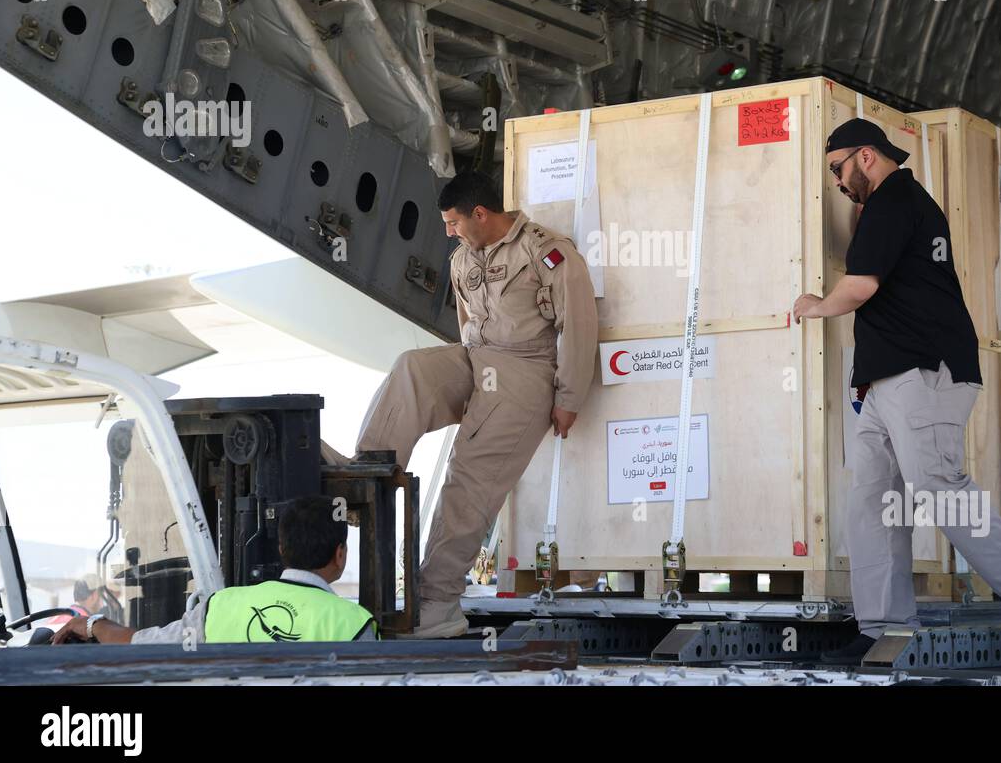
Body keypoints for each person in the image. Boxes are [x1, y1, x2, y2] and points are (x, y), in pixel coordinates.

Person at [791, 117, 1001, 667]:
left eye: (839, 169)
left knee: (939, 489)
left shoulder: (894, 200)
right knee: (872, 502)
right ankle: (884, 626)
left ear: (866, 156)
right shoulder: (894, 205)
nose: (839, 183)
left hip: (925, 373)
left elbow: (861, 286)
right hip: (885, 380)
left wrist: (814, 305)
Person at [354, 170, 597, 638]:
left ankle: (438, 600)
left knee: (468, 474)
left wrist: (569, 397)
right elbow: (466, 325)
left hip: (525, 371)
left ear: (480, 213)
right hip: (476, 359)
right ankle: (368, 474)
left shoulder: (546, 252)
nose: (448, 231)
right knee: (413, 367)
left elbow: (580, 324)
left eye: (452, 222)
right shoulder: (462, 259)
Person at [52, 496, 377, 644]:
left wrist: (94, 624)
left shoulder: (220, 606)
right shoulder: (353, 624)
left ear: (281, 548)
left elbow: (141, 643)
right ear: (340, 555)